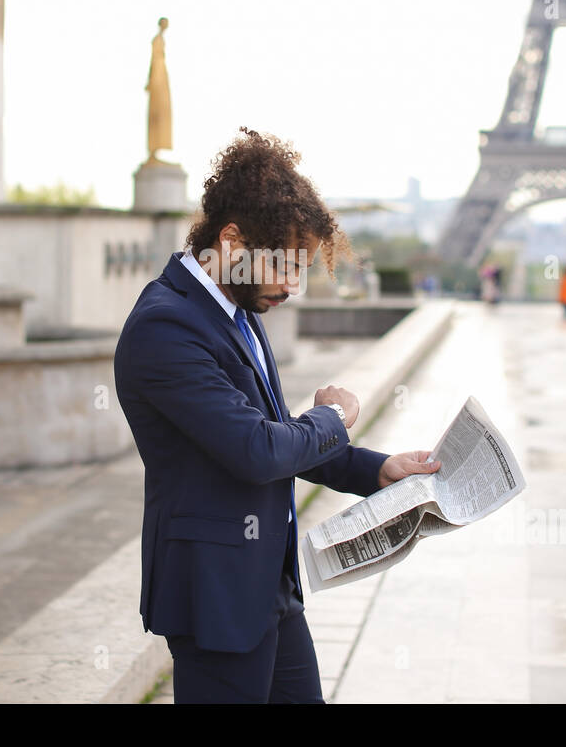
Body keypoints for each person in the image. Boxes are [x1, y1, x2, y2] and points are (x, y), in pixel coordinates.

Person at [114, 128, 440, 704]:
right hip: (216, 598)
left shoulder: (237, 310)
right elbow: (258, 451)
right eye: (286, 265)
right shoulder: (166, 327)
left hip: (270, 583)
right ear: (232, 241)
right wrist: (335, 417)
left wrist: (378, 469)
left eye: (303, 267)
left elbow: (274, 433)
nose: (293, 285)